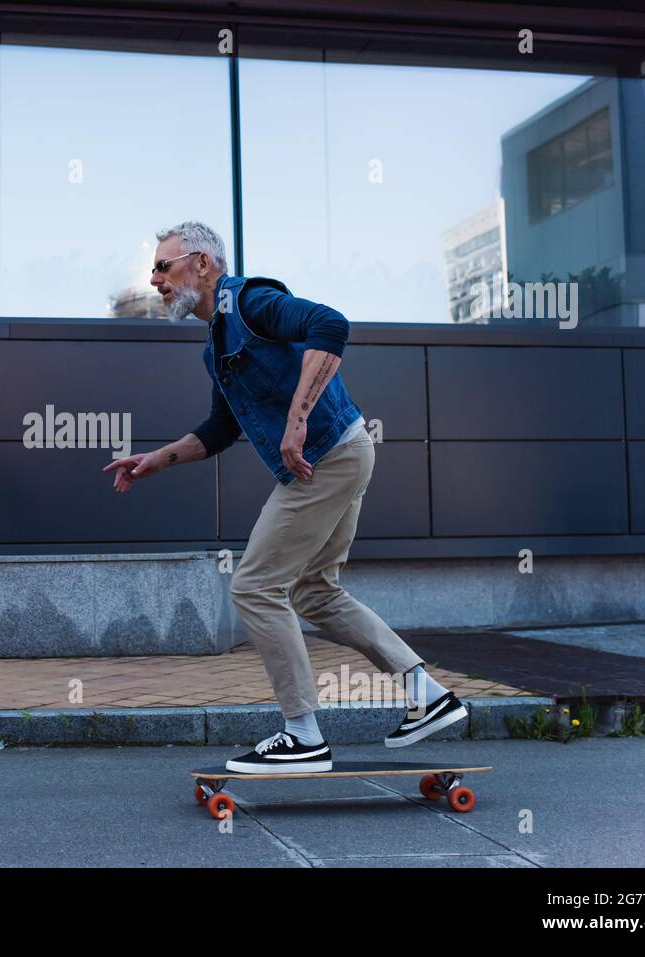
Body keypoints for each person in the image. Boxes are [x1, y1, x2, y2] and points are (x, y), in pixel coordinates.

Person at [103, 221, 467, 773]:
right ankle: (431, 694)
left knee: (254, 586)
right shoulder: (216, 346)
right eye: (153, 269)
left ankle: (302, 733)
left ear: (202, 264)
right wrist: (157, 459)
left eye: (163, 266)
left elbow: (330, 325)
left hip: (325, 454)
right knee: (316, 593)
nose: (155, 279)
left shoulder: (250, 302)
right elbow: (221, 429)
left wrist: (296, 422)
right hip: (342, 451)